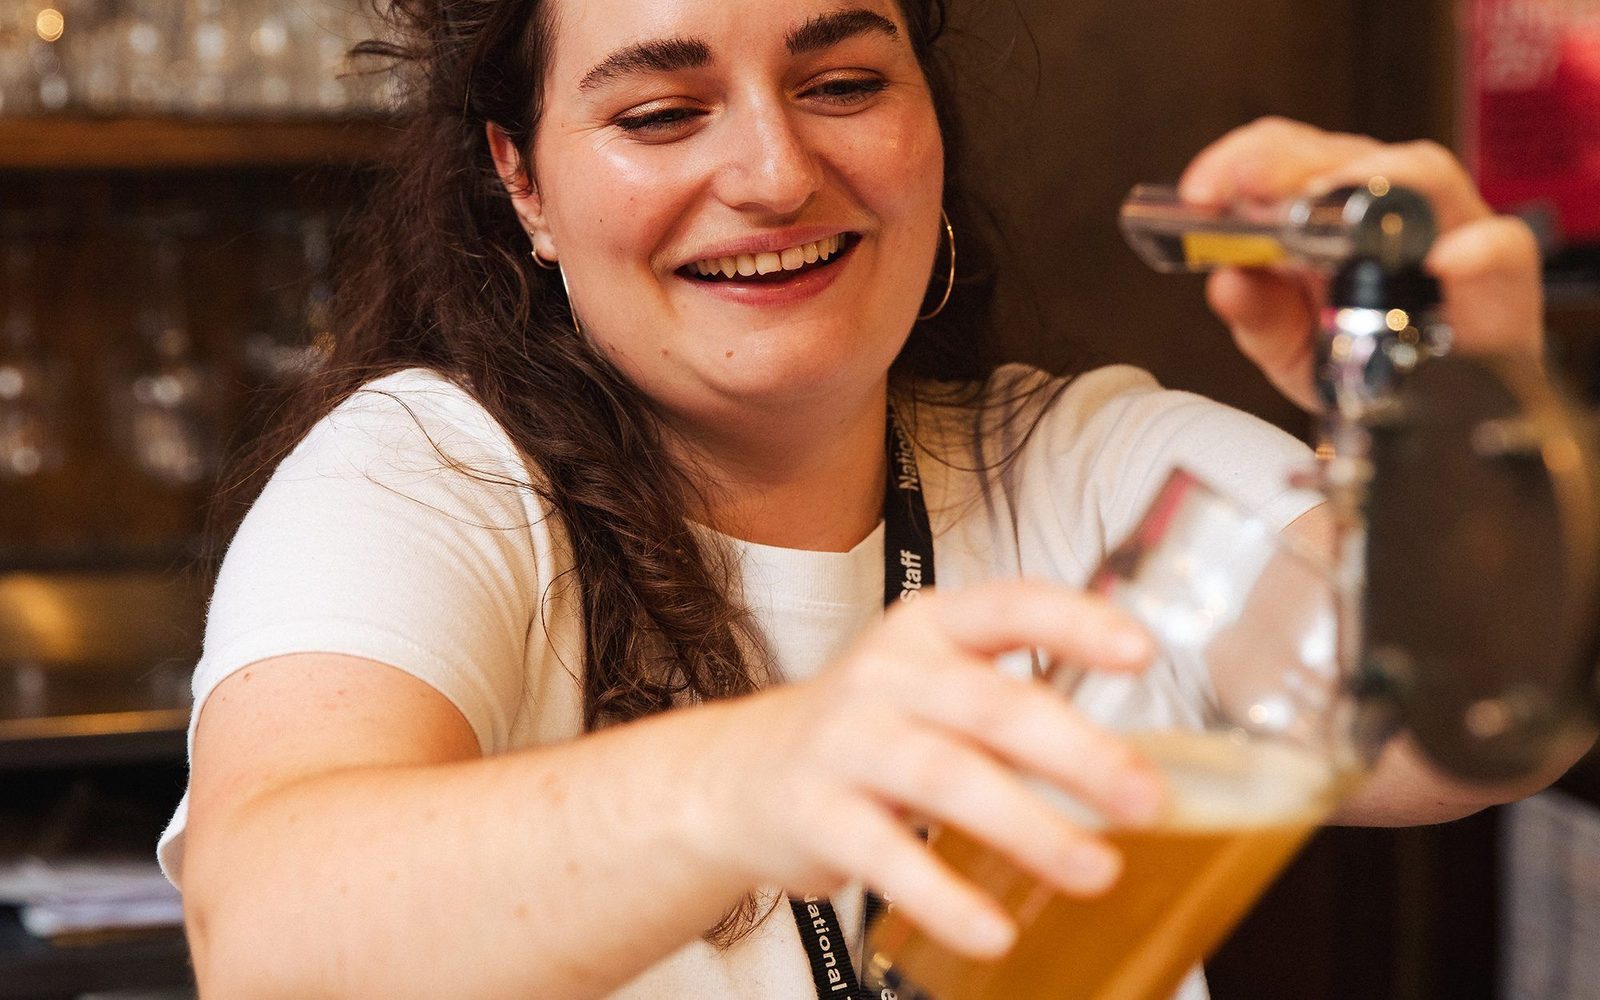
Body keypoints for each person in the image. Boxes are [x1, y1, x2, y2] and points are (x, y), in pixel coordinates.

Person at [160, 0, 1558, 997]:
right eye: (661, 111)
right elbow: (269, 937)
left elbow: (1472, 734)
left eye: (841, 84)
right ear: (521, 182)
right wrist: (767, 773)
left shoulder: (1077, 468)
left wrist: (1468, 418)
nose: (774, 175)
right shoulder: (426, 475)